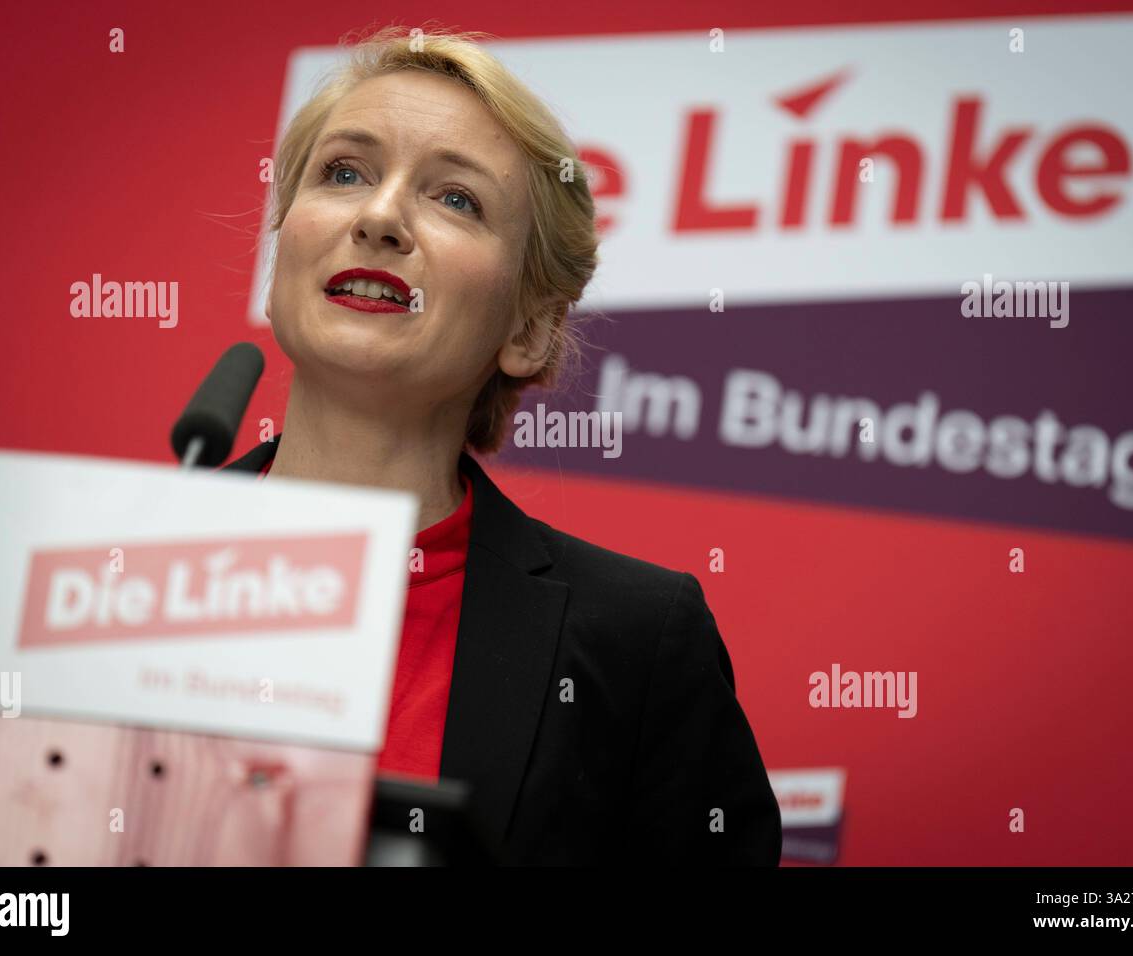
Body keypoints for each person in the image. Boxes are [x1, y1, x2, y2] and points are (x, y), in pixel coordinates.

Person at [224, 25, 781, 865]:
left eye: (456, 199)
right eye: (344, 173)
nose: (379, 217)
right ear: (280, 256)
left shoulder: (636, 644)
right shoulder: (93, 578)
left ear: (527, 330)